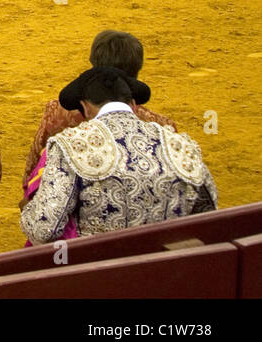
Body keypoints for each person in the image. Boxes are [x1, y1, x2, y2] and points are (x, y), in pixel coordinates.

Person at [21, 67, 216, 244]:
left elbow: (42, 230)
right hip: (167, 275)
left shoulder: (70, 145)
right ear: (132, 104)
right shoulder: (179, 144)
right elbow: (208, 214)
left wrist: (28, 209)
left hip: (98, 276)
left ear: (86, 108)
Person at [22, 30, 176, 184]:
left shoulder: (58, 114)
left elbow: (32, 174)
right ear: (138, 69)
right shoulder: (162, 127)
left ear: (94, 65)